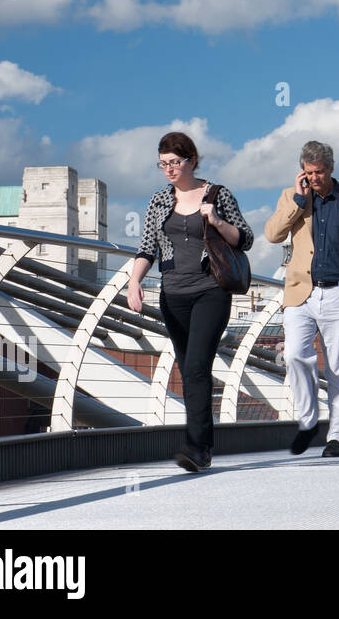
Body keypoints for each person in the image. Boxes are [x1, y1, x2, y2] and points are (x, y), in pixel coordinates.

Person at [130, 131, 253, 473]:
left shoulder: (218, 194)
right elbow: (147, 248)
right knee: (189, 371)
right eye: (163, 163)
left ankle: (196, 448)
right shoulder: (158, 201)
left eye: (175, 162)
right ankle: (203, 446)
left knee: (198, 367)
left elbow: (245, 238)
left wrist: (215, 221)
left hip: (210, 290)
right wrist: (134, 282)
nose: (169, 169)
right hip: (173, 296)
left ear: (192, 161)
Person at [264, 141, 339, 459]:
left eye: (319, 172)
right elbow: (272, 234)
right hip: (300, 292)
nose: (314, 178)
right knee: (293, 355)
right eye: (308, 172)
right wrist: (297, 200)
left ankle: (338, 439)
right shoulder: (293, 198)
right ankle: (307, 421)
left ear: (331, 169)